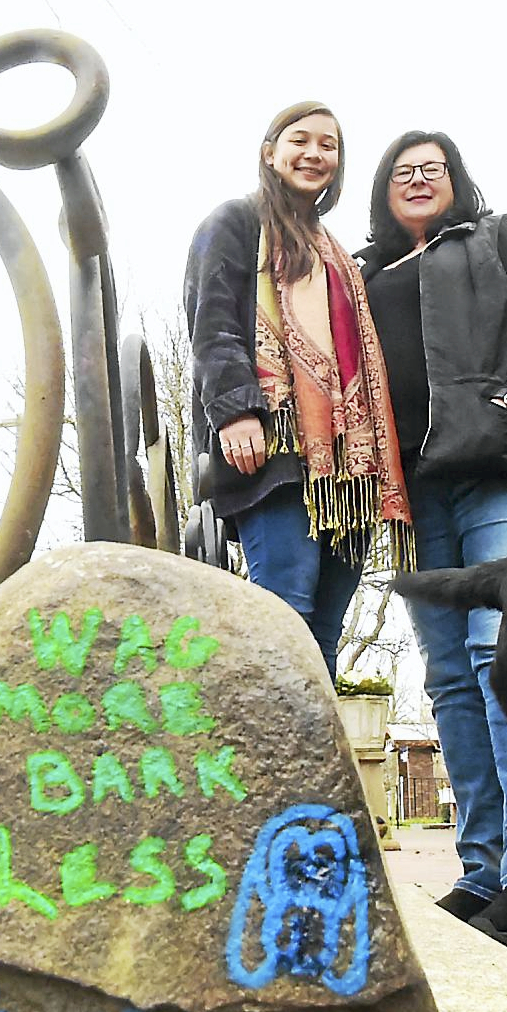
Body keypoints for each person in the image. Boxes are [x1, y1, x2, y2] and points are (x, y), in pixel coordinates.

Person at [359, 131, 507, 955]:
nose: (418, 179)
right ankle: (484, 870)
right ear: (383, 192)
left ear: (457, 182)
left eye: (433, 168)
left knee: (503, 657)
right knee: (451, 679)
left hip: (506, 473)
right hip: (416, 495)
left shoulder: (497, 238)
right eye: (401, 171)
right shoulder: (360, 277)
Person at [183, 102, 413, 672]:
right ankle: (269, 756)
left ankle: (310, 760)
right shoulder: (234, 223)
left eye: (328, 145)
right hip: (276, 451)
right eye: (300, 141)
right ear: (270, 152)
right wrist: (235, 410)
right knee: (285, 614)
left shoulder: (337, 255)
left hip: (348, 471)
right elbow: (211, 323)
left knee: (324, 636)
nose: (314, 154)